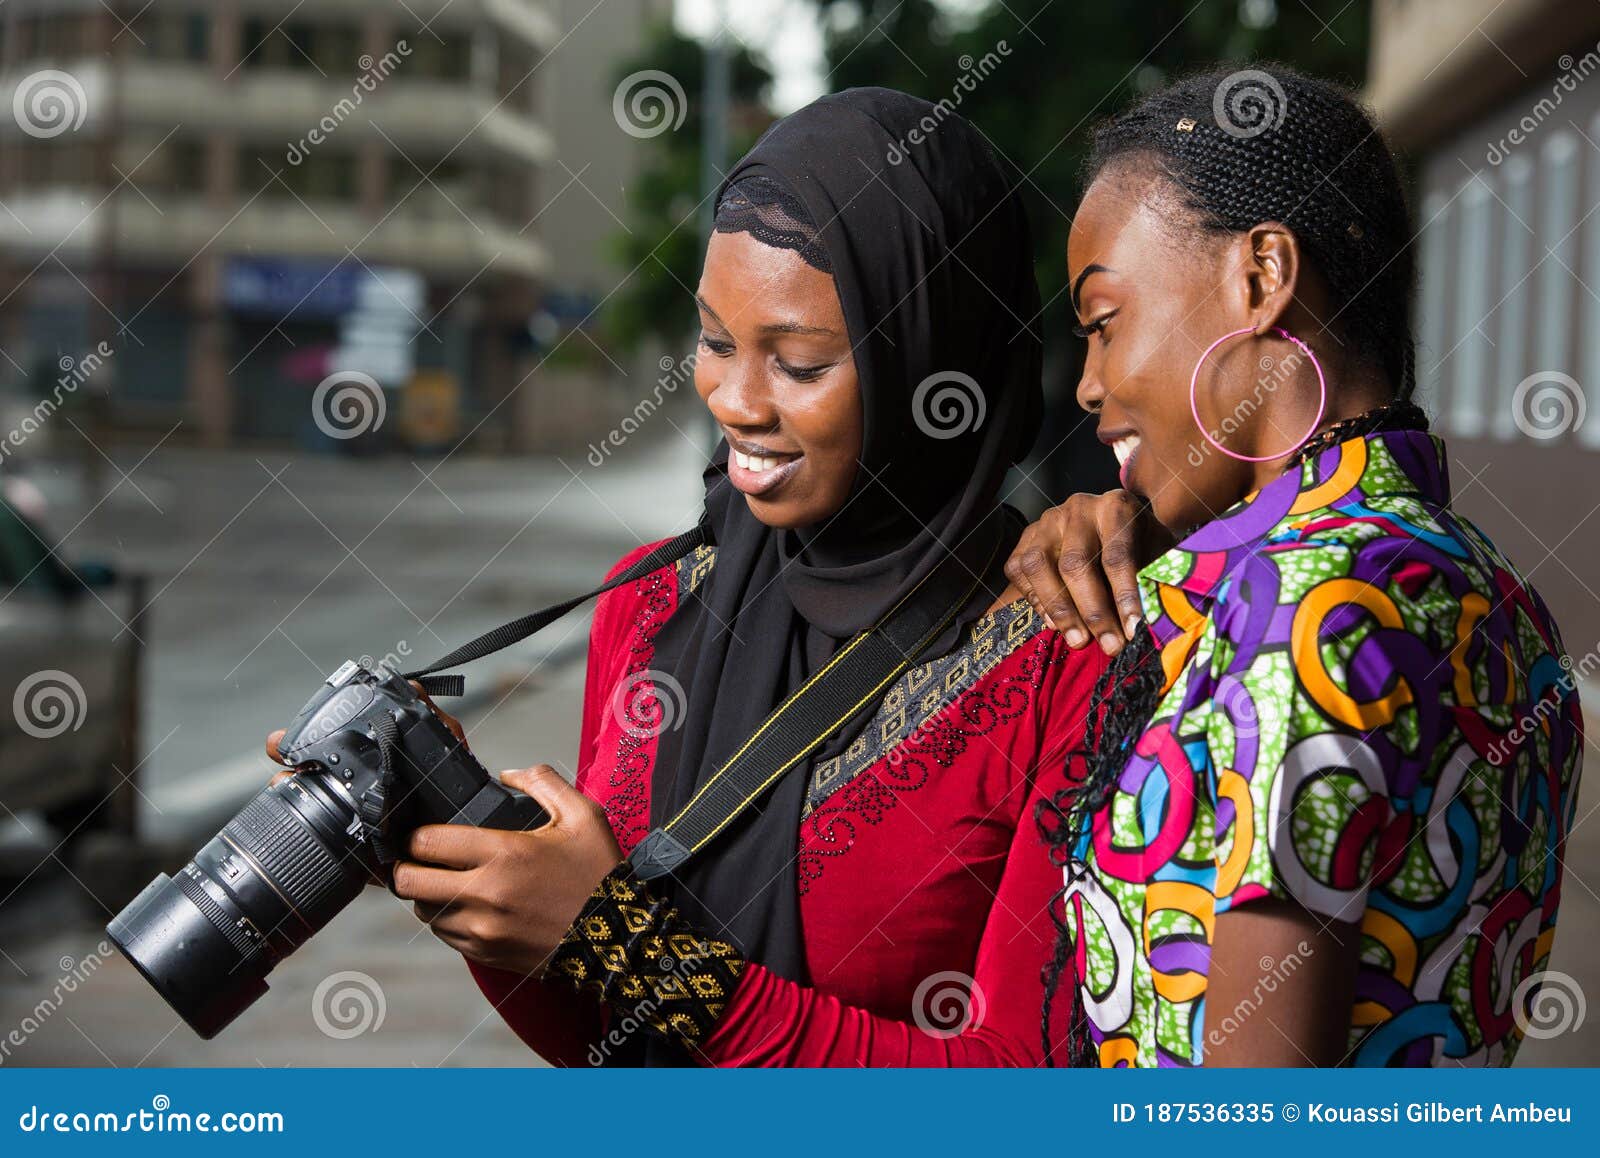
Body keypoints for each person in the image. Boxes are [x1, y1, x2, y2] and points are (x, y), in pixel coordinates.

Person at [262, 88, 1109, 1067]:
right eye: (714, 341)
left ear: (935, 369)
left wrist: (635, 955)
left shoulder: (1067, 646)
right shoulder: (651, 602)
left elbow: (1029, 1082)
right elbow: (608, 1053)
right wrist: (487, 888)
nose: (734, 401)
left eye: (797, 364)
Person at [1000, 65, 1583, 1067]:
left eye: (1104, 323)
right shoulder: (1491, 592)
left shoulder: (1309, 608)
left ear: (1261, 278)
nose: (1090, 384)